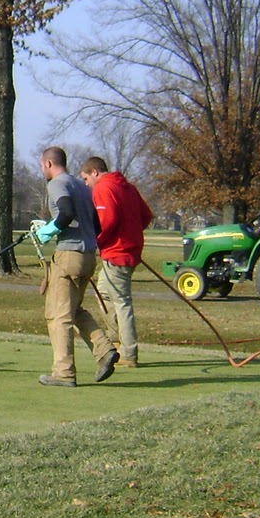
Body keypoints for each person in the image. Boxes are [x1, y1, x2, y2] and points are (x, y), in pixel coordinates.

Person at [32, 146, 118, 387]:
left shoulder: (57, 183)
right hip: (88, 255)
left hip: (69, 254)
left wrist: (47, 231)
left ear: (49, 164)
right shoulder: (81, 186)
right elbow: (96, 223)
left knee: (57, 315)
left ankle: (63, 373)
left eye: (42, 166)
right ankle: (104, 350)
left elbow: (67, 213)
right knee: (73, 309)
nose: (42, 170)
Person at [80, 156, 154, 368]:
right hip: (129, 251)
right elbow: (146, 215)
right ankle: (115, 339)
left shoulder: (103, 188)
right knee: (103, 292)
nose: (86, 184)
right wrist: (131, 233)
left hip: (117, 253)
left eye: (86, 178)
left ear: (94, 172)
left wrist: (97, 240)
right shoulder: (128, 187)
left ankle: (129, 353)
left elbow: (107, 221)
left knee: (121, 301)